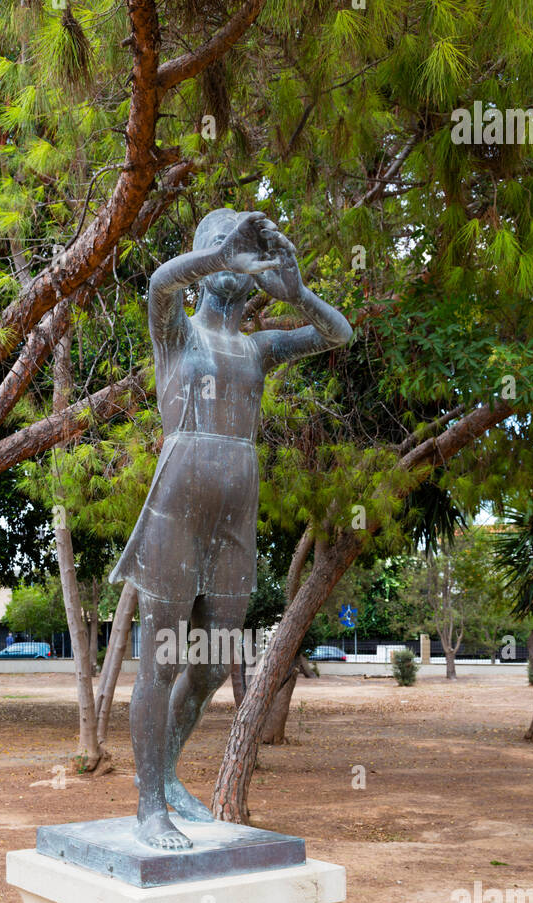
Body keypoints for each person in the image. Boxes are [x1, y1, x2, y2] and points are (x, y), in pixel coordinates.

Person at [111, 208, 352, 849]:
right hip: (178, 504)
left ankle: (164, 776)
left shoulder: (258, 347)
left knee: (216, 658)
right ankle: (150, 806)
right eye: (220, 246)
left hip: (235, 511)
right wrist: (218, 257)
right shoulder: (177, 334)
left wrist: (297, 291)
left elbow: (340, 334)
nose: (234, 256)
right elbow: (159, 283)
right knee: (162, 658)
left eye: (242, 250)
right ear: (205, 257)